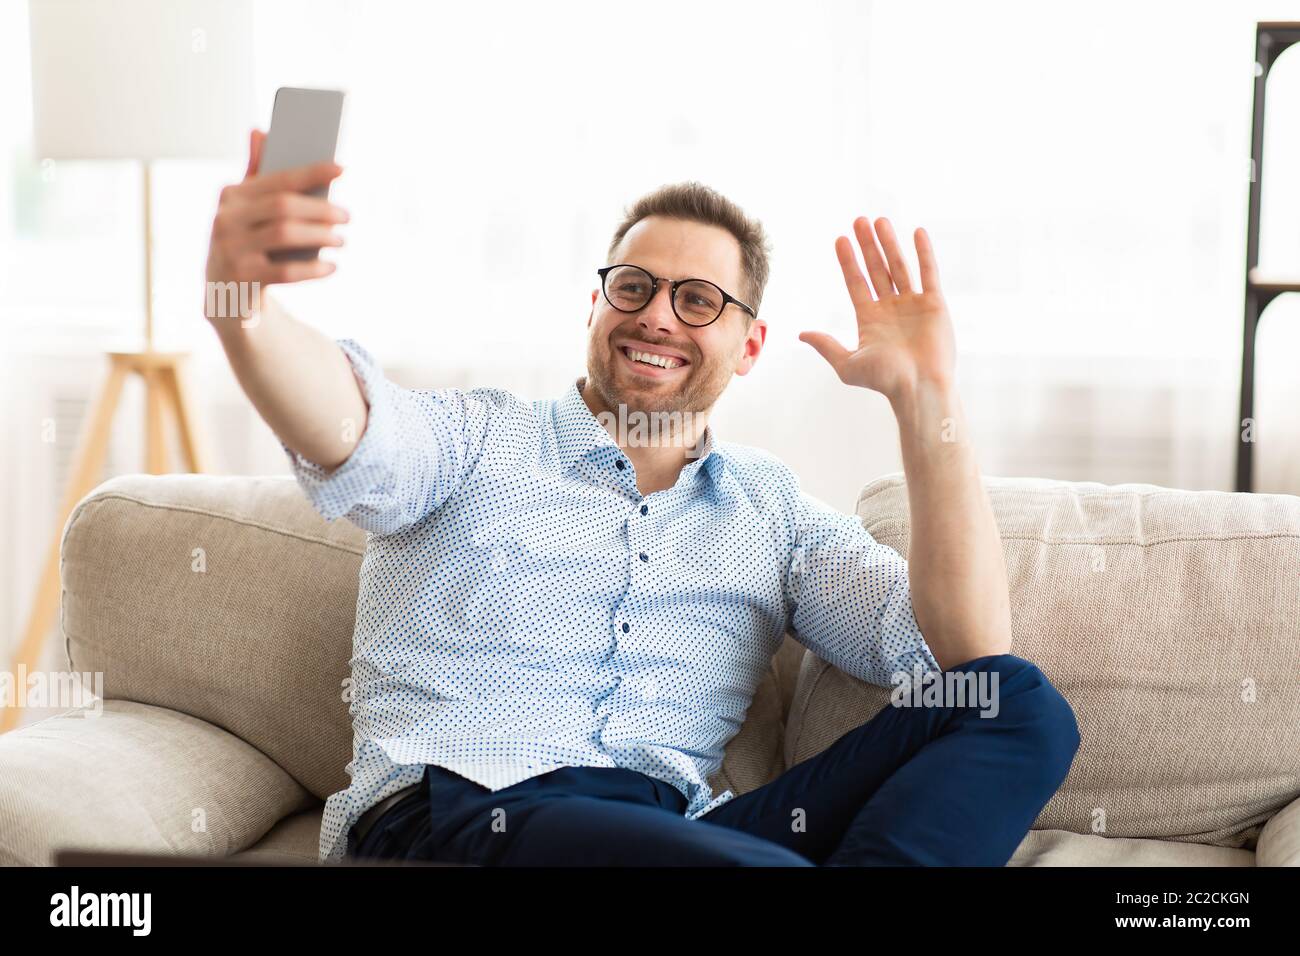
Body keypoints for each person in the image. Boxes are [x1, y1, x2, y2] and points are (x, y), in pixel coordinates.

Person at [203, 129, 1080, 867]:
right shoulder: (473, 440)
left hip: (673, 840)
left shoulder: (768, 514)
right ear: (595, 304)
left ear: (750, 344)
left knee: (1016, 701)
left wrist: (926, 399)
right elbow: (347, 425)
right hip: (462, 819)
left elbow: (967, 656)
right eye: (634, 287)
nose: (658, 316)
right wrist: (242, 305)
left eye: (698, 300)